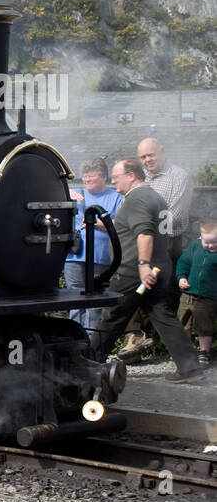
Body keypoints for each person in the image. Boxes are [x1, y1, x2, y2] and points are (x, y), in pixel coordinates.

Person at [89, 158, 203, 382]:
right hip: (160, 268)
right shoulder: (155, 196)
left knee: (112, 317)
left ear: (131, 175)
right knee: (164, 317)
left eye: (117, 176)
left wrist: (143, 266)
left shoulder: (137, 197)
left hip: (134, 272)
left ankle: (87, 365)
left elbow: (145, 233)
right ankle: (190, 369)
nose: (113, 180)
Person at [63, 159, 122, 336]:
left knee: (95, 301)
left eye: (92, 175)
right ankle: (74, 337)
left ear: (104, 177)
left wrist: (96, 223)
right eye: (85, 176)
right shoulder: (76, 193)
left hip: (100, 256)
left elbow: (120, 223)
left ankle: (92, 340)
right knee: (73, 298)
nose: (87, 179)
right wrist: (66, 196)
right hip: (74, 256)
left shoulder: (116, 197)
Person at [177, 221, 217, 366]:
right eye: (207, 242)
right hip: (188, 293)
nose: (211, 246)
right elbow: (183, 263)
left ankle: (204, 352)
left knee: (204, 325)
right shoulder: (195, 247)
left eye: (215, 242)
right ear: (201, 237)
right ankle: (185, 351)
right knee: (183, 322)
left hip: (208, 297)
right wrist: (181, 277)